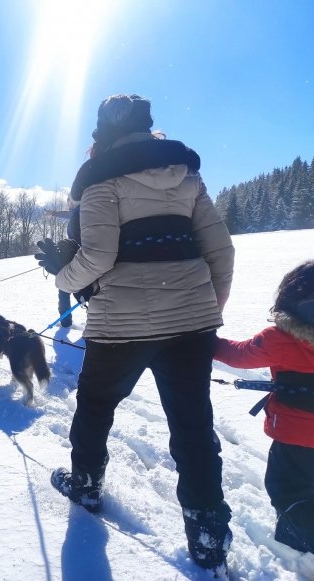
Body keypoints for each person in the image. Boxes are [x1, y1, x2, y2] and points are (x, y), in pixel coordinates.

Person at [38, 94, 235, 575]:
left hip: (121, 324)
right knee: (193, 427)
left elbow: (98, 257)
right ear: (149, 128)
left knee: (95, 405)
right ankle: (208, 536)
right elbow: (221, 251)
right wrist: (206, 310)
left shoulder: (100, 178)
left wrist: (62, 276)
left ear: (102, 135)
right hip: (191, 323)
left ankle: (86, 485)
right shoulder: (186, 176)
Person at [214, 259, 314, 578]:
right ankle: (292, 538)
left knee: (289, 495)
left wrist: (203, 341)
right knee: (309, 491)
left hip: (299, 437)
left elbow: (238, 355)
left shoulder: (282, 336)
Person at [44, 197, 82, 327]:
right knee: (65, 288)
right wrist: (54, 213)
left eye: (70, 200)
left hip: (79, 254)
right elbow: (67, 214)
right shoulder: (77, 212)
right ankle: (66, 321)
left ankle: (65, 322)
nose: (68, 203)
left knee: (64, 289)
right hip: (72, 254)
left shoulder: (81, 211)